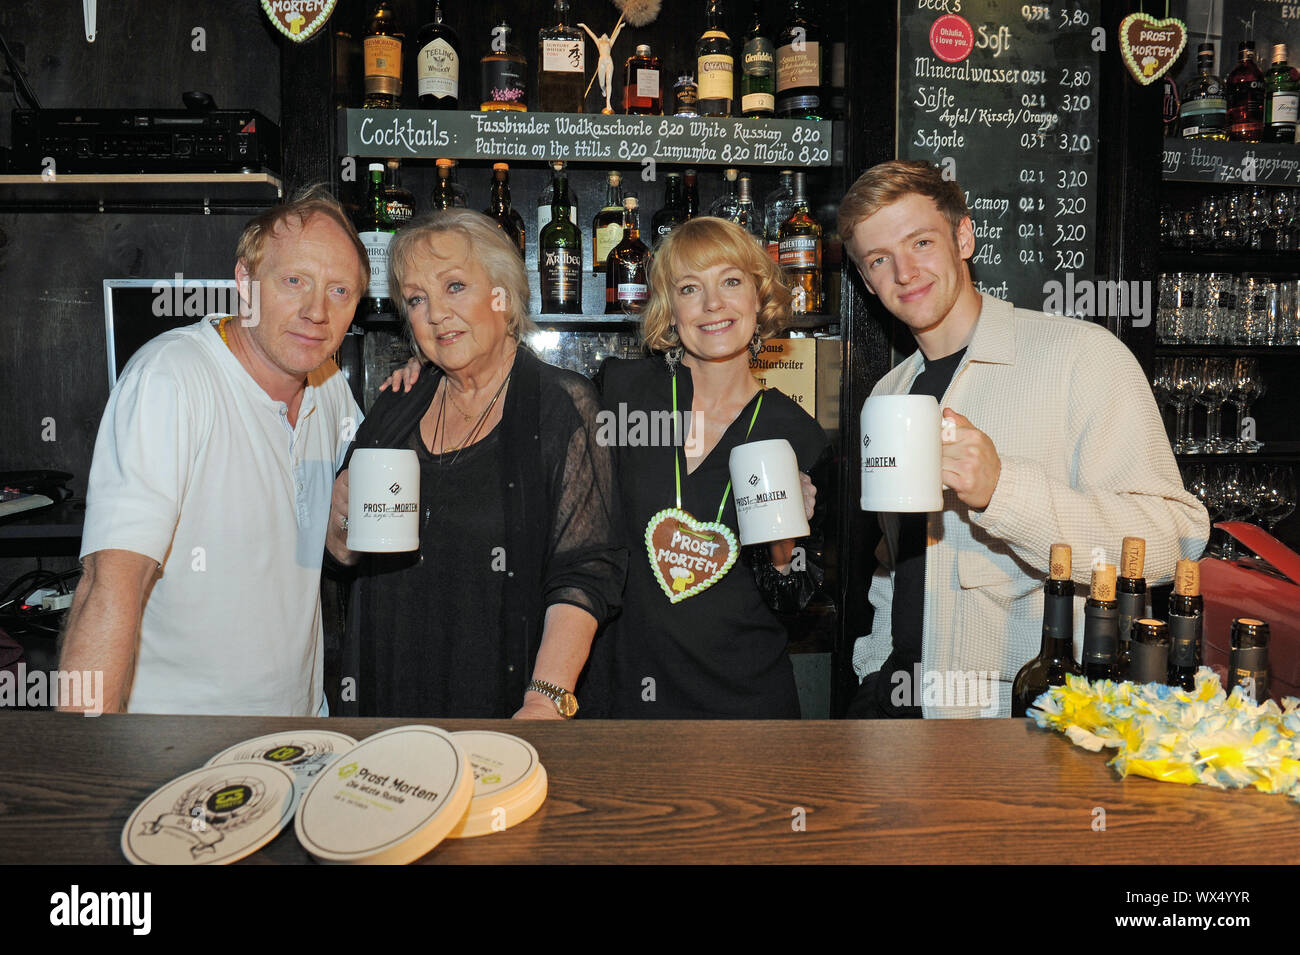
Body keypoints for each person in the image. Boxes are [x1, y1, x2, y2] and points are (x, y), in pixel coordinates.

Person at [838, 160, 1210, 718]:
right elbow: (894, 560)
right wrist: (874, 666)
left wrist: (1003, 491)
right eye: (879, 260)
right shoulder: (889, 394)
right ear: (866, 281)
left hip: (1018, 721)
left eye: (920, 242)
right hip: (896, 711)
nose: (904, 271)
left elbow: (1174, 541)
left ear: (963, 236)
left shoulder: (1082, 357)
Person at [59, 187, 368, 715]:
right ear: (245, 283)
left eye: (339, 291)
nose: (317, 311)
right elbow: (108, 583)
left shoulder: (330, 385)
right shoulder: (172, 378)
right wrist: (86, 765)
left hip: (298, 739)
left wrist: (428, 390)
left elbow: (344, 549)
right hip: (173, 750)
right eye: (295, 281)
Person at [330, 209, 625, 720]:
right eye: (418, 299)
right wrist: (338, 513)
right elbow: (343, 558)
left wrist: (545, 699)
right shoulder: (396, 405)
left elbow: (587, 571)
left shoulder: (561, 406)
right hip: (390, 693)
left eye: (455, 287)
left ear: (503, 295)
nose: (436, 313)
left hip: (508, 703)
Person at [592, 216, 830, 718]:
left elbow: (792, 602)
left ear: (759, 298)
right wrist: (435, 374)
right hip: (625, 700)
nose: (713, 304)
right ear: (669, 310)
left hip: (745, 706)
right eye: (689, 288)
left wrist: (785, 546)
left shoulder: (797, 432)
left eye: (731, 281)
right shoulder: (622, 395)